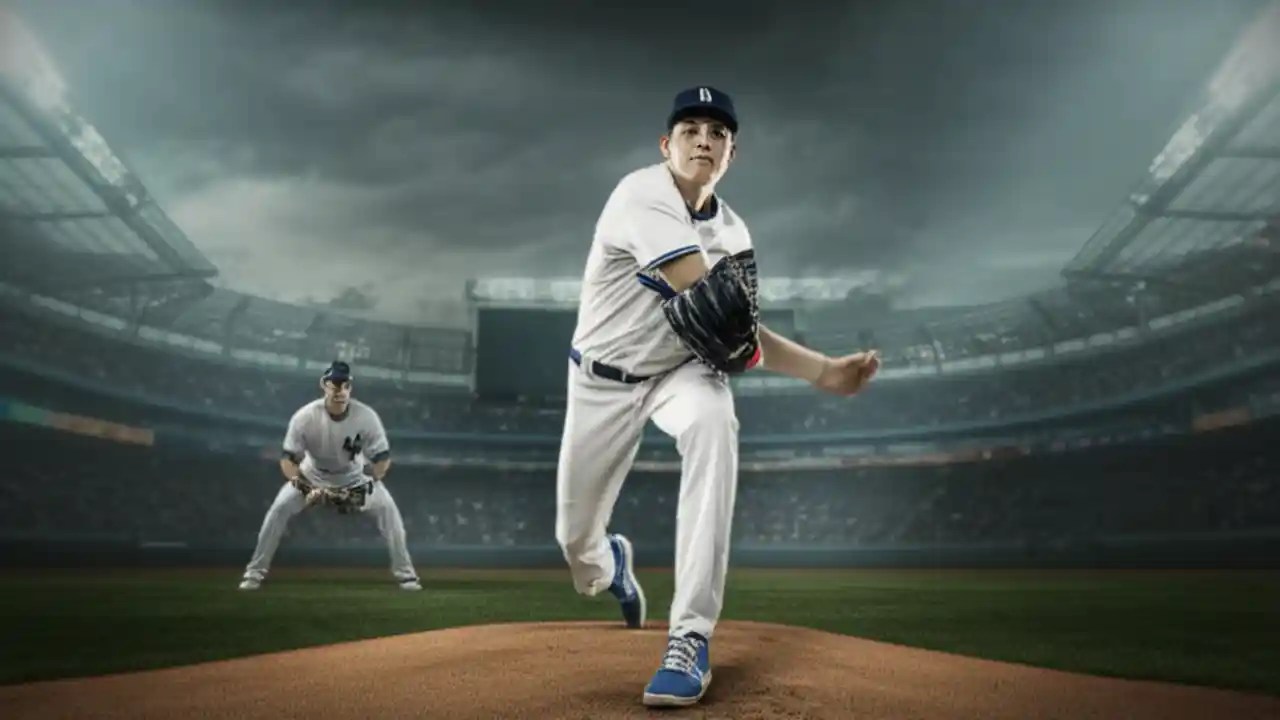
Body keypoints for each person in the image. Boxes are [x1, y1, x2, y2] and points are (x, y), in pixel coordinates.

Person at [554, 86, 880, 707]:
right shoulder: (639, 194)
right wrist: (782, 355)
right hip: (601, 379)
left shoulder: (734, 231)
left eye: (718, 132)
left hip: (678, 373)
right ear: (665, 144)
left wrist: (823, 373)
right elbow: (713, 303)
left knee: (714, 422)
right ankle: (610, 565)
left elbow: (737, 334)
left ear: (732, 151)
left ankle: (690, 635)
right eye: (690, 128)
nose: (704, 138)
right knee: (575, 543)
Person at [238, 360, 421, 591]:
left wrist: (370, 482)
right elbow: (287, 460)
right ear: (324, 385)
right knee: (278, 509)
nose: (340, 390)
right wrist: (306, 489)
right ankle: (254, 574)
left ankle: (406, 576)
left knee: (389, 511)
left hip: (355, 479)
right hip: (311, 476)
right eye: (335, 384)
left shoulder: (366, 417)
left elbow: (383, 459)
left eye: (345, 384)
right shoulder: (305, 416)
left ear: (350, 387)